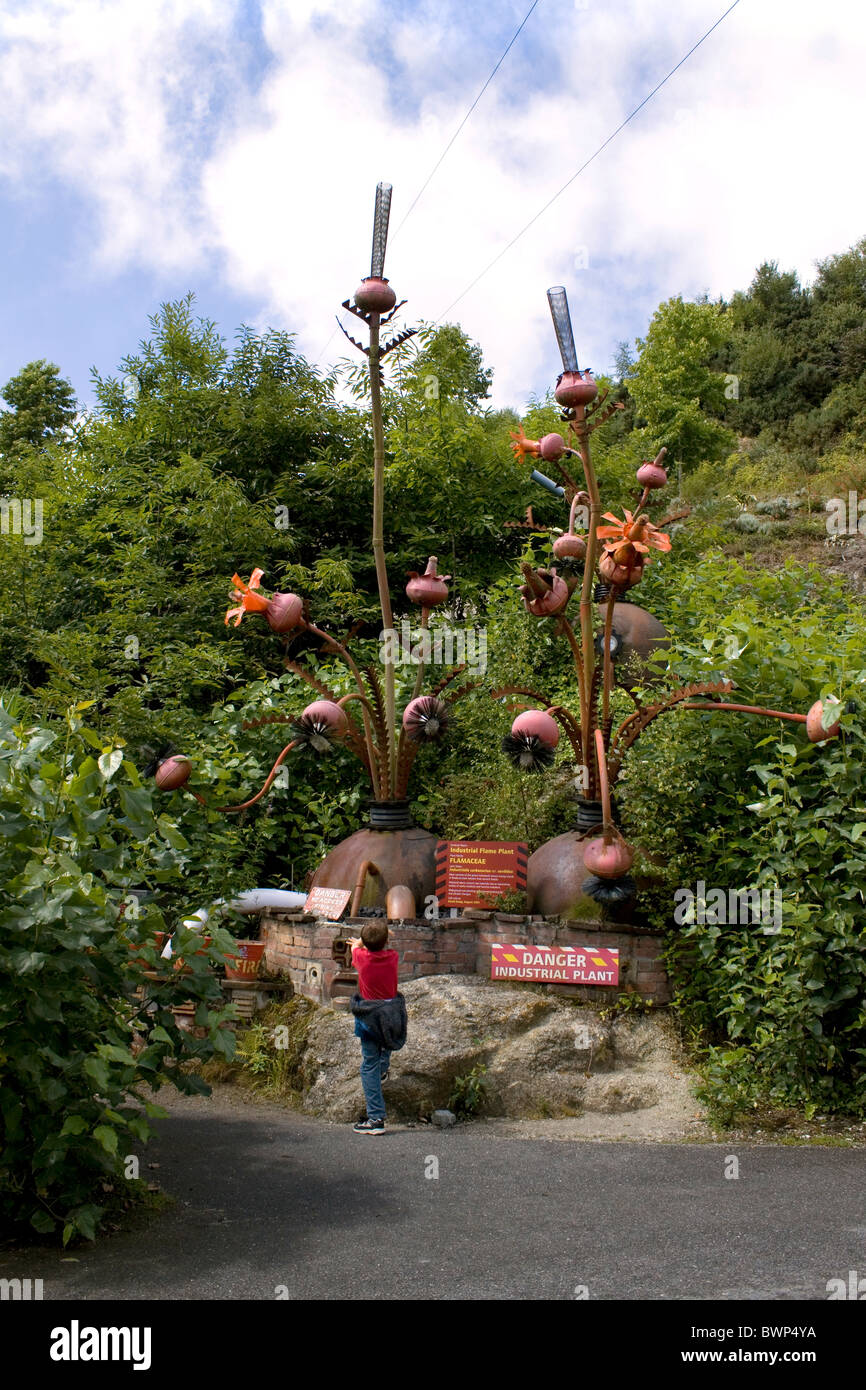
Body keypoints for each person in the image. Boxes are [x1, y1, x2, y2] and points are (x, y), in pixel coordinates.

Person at [347, 922, 407, 1135]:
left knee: (368, 1065)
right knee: (386, 1047)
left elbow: (355, 948)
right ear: (387, 941)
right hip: (391, 1014)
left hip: (370, 1016)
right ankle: (382, 1070)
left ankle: (375, 1118)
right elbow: (383, 945)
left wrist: (360, 941)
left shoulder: (362, 958)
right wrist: (378, 937)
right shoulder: (392, 957)